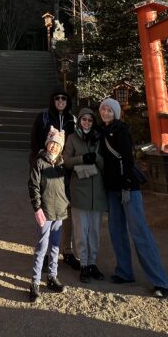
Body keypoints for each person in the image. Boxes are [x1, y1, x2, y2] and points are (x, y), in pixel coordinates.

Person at [99, 97, 168, 299]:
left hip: (128, 188)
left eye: (109, 110)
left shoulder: (121, 131)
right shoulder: (101, 131)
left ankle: (159, 280)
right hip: (112, 189)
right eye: (103, 110)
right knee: (116, 230)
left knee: (139, 231)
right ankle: (124, 271)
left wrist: (125, 184)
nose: (105, 113)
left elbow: (127, 160)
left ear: (116, 113)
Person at [29, 89, 80, 270]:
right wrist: (38, 160)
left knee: (66, 211)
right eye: (57, 98)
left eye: (64, 98)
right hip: (45, 167)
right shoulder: (43, 117)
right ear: (52, 100)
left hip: (64, 169)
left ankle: (66, 250)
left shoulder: (72, 120)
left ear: (68, 101)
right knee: (46, 210)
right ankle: (44, 254)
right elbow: (34, 141)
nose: (60, 101)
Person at [62, 107, 108, 282]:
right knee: (81, 230)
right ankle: (83, 264)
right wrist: (82, 159)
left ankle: (92, 263)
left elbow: (106, 164)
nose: (87, 123)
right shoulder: (73, 138)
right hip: (79, 188)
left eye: (90, 120)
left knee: (95, 230)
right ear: (79, 121)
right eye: (83, 120)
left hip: (97, 189)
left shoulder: (99, 139)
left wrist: (96, 158)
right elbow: (66, 162)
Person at [27, 126, 69, 302]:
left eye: (57, 145)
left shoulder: (61, 164)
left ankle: (52, 276)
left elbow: (64, 186)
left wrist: (67, 202)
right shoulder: (39, 162)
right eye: (52, 143)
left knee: (55, 246)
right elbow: (33, 186)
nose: (54, 147)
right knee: (41, 247)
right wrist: (37, 208)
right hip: (45, 210)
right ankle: (35, 282)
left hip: (60, 210)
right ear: (47, 144)